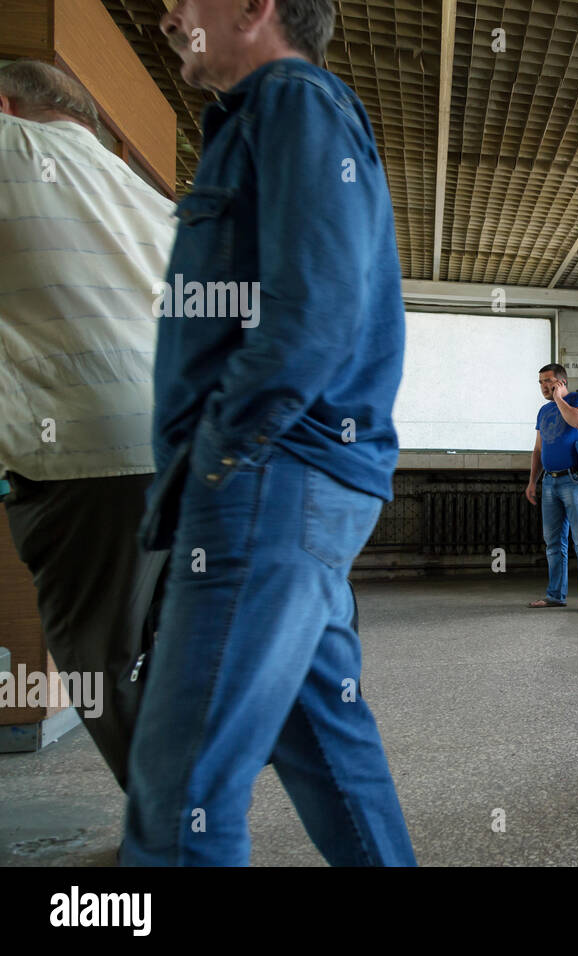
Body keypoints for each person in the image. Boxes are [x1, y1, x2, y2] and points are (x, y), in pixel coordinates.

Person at [122, 0, 415, 865]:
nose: (169, 16)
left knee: (181, 798)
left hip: (265, 478)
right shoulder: (272, 114)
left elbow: (313, 307)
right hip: (283, 482)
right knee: (328, 748)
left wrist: (221, 453)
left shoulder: (292, 99)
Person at [0, 60, 175, 789]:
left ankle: (177, 830)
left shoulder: (11, 149)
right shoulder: (154, 201)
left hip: (82, 455)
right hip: (184, 449)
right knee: (167, 643)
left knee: (97, 661)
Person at [525, 363, 578, 614]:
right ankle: (555, 595)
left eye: (548, 381)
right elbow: (538, 449)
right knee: (553, 543)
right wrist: (532, 481)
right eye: (541, 383)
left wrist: (559, 399)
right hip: (550, 482)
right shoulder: (543, 412)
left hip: (576, 480)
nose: (544, 387)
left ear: (562, 382)